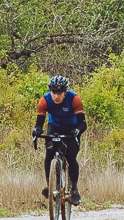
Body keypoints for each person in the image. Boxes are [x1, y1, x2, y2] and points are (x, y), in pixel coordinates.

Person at [32, 75, 87, 206]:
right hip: (54, 127)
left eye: (59, 93)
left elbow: (83, 124)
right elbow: (39, 124)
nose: (56, 96)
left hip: (72, 128)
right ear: (50, 92)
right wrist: (37, 130)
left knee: (71, 157)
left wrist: (77, 131)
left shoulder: (74, 99)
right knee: (49, 154)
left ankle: (74, 189)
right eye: (53, 93)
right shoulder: (44, 100)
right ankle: (50, 185)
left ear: (65, 92)